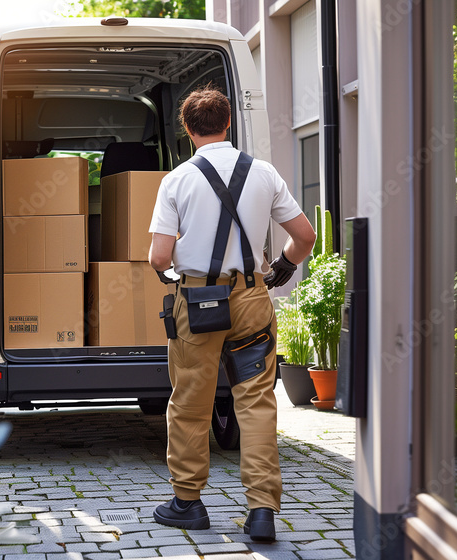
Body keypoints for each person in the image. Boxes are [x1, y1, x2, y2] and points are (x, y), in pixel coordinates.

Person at [147, 87, 316, 543]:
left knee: (190, 402)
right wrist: (283, 265)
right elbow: (304, 235)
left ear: (187, 130)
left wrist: (177, 264)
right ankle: (262, 512)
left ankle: (188, 503)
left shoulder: (176, 180)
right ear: (228, 124)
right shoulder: (263, 173)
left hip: (199, 303)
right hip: (252, 299)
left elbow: (159, 257)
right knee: (257, 404)